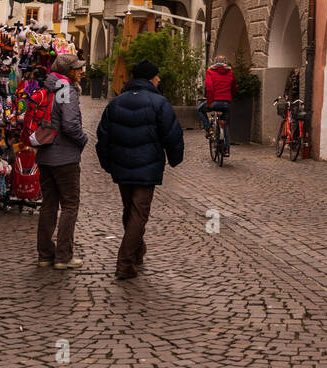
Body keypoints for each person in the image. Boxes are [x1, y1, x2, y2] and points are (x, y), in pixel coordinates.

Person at [96, 59, 184, 282]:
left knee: (130, 210)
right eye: (157, 75)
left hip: (122, 166)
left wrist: (107, 163)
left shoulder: (116, 103)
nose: (159, 79)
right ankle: (125, 263)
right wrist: (175, 157)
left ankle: (137, 251)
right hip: (147, 167)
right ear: (150, 78)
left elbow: (103, 135)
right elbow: (172, 134)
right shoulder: (159, 102)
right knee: (138, 213)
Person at [36, 52, 89, 271]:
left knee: (48, 204)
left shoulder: (50, 87)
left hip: (45, 154)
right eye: (78, 68)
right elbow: (70, 124)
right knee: (69, 205)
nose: (81, 72)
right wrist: (83, 140)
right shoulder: (66, 90)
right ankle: (63, 256)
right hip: (64, 157)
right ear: (69, 71)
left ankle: (45, 255)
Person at [203, 56, 237, 156]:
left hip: (215, 102)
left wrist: (210, 102)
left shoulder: (210, 72)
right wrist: (230, 97)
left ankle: (209, 129)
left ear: (214, 62)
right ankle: (227, 150)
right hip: (226, 103)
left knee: (200, 109)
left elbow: (209, 88)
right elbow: (234, 87)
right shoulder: (230, 72)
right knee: (224, 124)